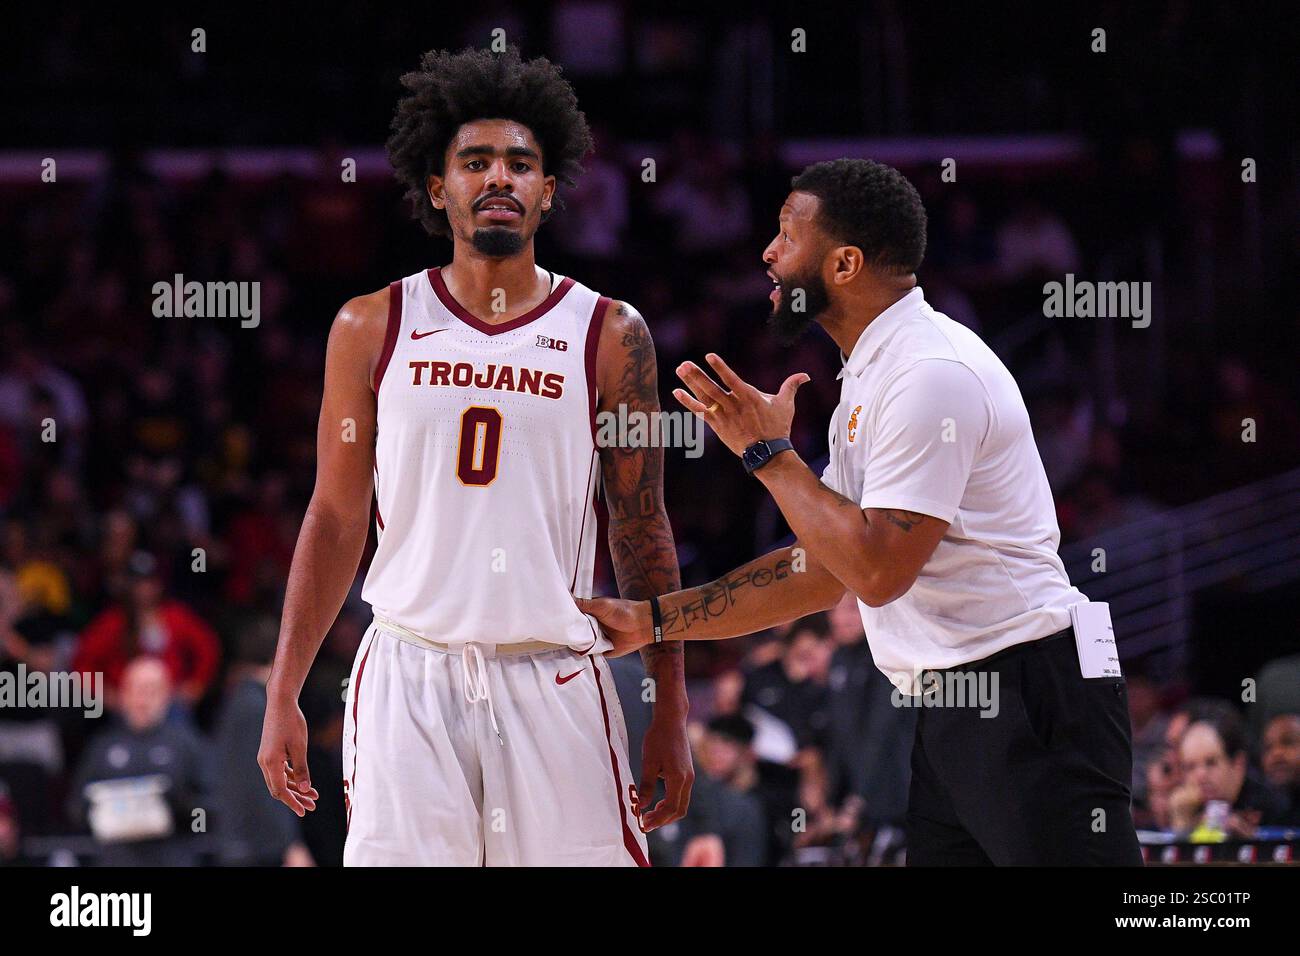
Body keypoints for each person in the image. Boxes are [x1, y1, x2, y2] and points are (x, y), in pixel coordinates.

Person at [580, 158, 1142, 866]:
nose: (768, 253)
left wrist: (771, 458)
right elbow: (827, 570)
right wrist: (659, 619)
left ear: (844, 263)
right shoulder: (874, 376)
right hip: (960, 703)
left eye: (786, 234)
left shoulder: (929, 375)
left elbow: (877, 572)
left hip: (1028, 690)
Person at [258, 46, 690, 866]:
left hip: (554, 676)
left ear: (549, 191)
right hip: (408, 680)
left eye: (521, 164)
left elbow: (641, 526)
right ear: (437, 187)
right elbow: (336, 514)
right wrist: (283, 688)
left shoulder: (611, 334)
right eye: (476, 161)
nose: (500, 177)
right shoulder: (369, 326)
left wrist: (670, 703)